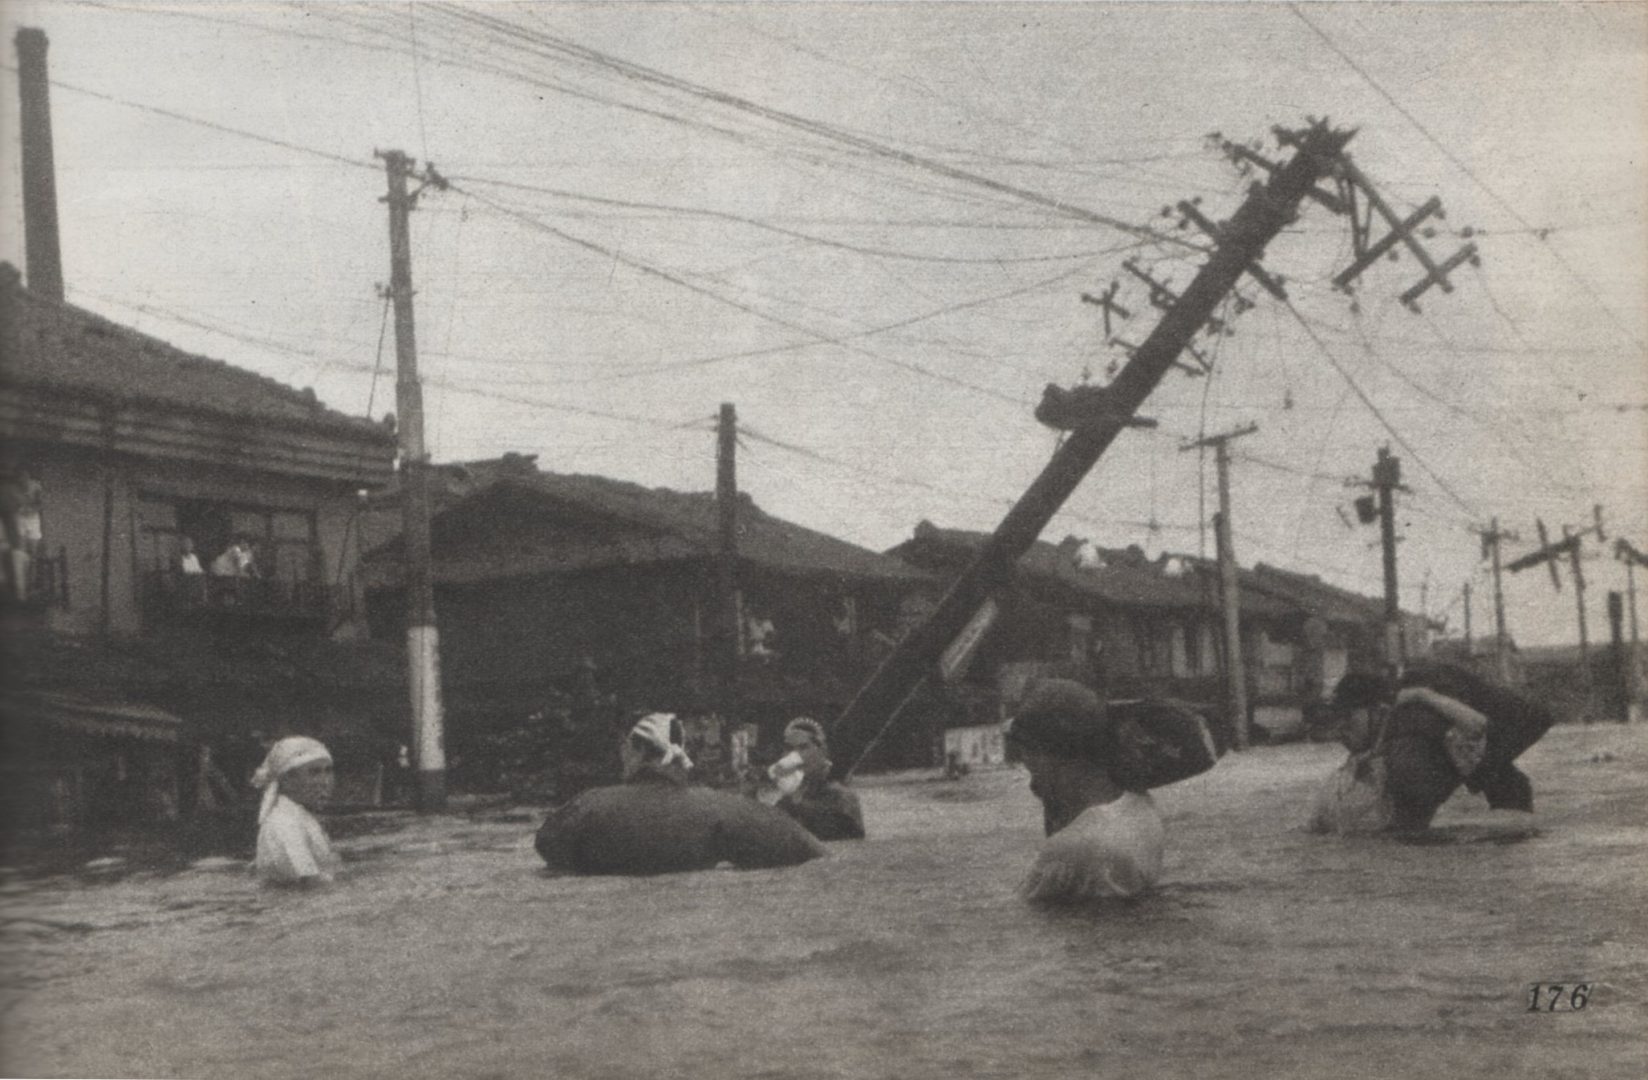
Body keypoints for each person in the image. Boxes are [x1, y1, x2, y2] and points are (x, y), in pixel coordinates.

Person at [535, 712, 827, 875]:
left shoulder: (587, 807)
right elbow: (813, 852)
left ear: (636, 751)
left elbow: (547, 846)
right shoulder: (730, 810)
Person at [1308, 664, 1554, 836]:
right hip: (1501, 724)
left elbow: (1477, 725)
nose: (1342, 732)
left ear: (1377, 710)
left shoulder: (1411, 722)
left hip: (1514, 722)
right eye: (1337, 724)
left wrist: (1424, 696)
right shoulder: (1395, 719)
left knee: (1408, 778)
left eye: (1349, 720)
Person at [1005, 680, 1166, 902]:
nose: (1025, 761)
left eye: (1026, 751)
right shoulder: (1142, 805)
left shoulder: (1070, 850)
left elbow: (1023, 911)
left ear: (1046, 753)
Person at [250, 735, 340, 886]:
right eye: (314, 772)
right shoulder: (284, 824)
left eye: (328, 771)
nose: (325, 781)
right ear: (287, 780)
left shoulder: (298, 816)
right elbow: (310, 884)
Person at [767, 717, 865, 841]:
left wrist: (796, 805)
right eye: (789, 749)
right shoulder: (788, 797)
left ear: (822, 751)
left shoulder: (842, 796)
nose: (795, 756)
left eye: (803, 748)